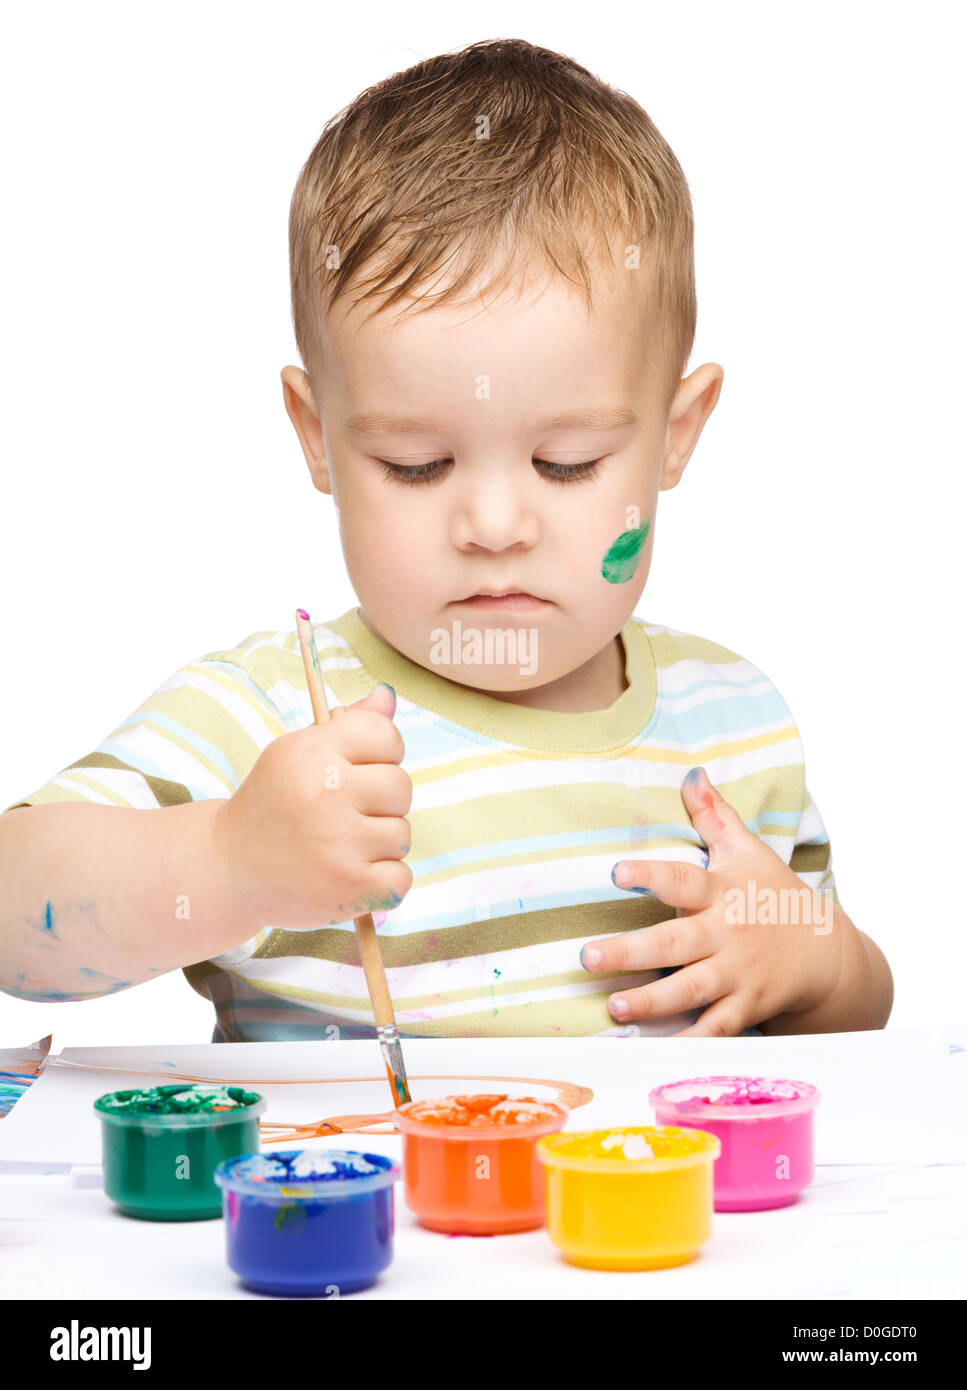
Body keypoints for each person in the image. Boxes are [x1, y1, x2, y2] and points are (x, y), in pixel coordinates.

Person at [0, 38, 892, 1042]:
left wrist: (819, 963)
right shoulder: (281, 719)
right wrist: (227, 860)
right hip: (345, 1202)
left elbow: (853, 1032)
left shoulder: (735, 729)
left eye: (566, 463)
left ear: (674, 436)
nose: (496, 526)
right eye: (417, 466)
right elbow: (11, 913)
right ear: (319, 436)